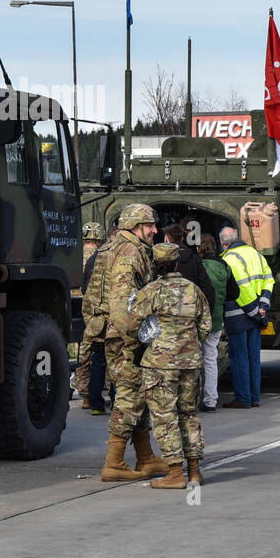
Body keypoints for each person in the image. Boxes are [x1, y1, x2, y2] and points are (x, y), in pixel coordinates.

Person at [129, 243, 212, 489]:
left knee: (165, 416)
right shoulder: (193, 290)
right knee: (189, 414)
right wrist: (189, 345)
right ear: (177, 263)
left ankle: (175, 472)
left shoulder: (151, 291)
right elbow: (206, 325)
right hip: (191, 361)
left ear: (156, 266)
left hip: (160, 364)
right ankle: (195, 470)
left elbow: (131, 323)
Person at [101, 203, 169, 481]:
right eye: (150, 225)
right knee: (129, 399)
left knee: (138, 396)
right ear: (135, 227)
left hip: (126, 335)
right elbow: (121, 302)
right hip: (127, 338)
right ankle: (113, 463)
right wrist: (134, 341)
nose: (154, 230)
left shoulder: (128, 248)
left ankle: (146, 458)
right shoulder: (129, 252)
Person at [219, 225, 273, 409]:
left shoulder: (229, 258)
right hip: (256, 315)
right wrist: (263, 306)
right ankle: (254, 397)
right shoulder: (255, 253)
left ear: (222, 242)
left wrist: (254, 311)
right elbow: (269, 279)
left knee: (239, 358)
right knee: (253, 357)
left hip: (239, 315)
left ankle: (243, 398)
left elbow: (241, 288)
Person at [75, 221, 108, 413]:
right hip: (94, 309)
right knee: (95, 350)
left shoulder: (75, 254)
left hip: (75, 305)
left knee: (81, 353)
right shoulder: (101, 256)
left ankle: (85, 393)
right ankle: (96, 393)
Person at [197, 234, 229, 413]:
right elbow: (234, 292)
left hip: (200, 318)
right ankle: (211, 400)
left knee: (194, 359)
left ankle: (192, 397)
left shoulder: (198, 265)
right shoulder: (223, 266)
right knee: (210, 359)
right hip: (216, 319)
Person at [162, 222, 216, 317]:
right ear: (182, 238)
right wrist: (207, 314)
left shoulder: (161, 260)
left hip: (167, 314)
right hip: (190, 312)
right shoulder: (194, 258)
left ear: (166, 239)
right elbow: (207, 288)